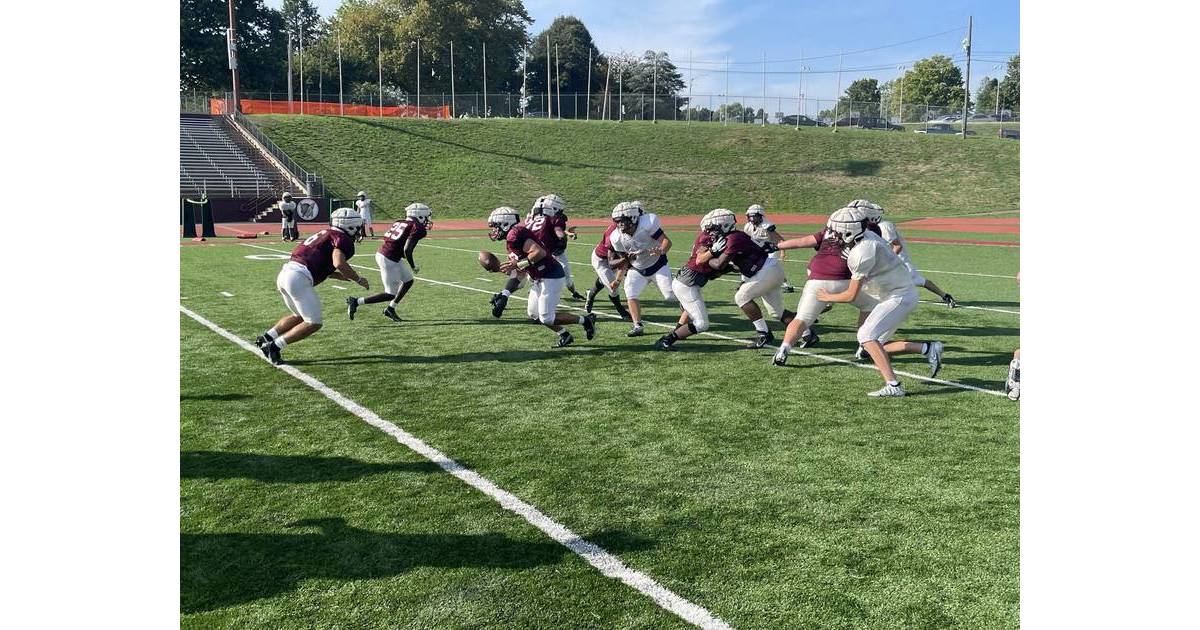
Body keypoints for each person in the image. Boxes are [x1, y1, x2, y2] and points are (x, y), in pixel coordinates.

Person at [813, 206, 944, 397]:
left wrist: (827, 297)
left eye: (836, 231)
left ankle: (894, 385)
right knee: (872, 346)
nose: (832, 235)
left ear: (850, 232)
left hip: (899, 296)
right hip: (894, 293)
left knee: (865, 336)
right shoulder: (866, 237)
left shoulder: (861, 252)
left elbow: (851, 295)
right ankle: (928, 348)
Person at [256, 209, 369, 365]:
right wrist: (358, 278)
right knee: (314, 322)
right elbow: (339, 262)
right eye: (357, 226)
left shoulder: (324, 233)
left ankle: (266, 337)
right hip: (298, 278)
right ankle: (274, 346)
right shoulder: (342, 239)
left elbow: (315, 262)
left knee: (299, 316)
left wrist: (337, 276)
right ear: (350, 226)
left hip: (286, 273)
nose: (358, 230)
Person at [770, 218, 884, 365]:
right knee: (870, 305)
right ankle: (864, 344)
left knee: (801, 318)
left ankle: (783, 349)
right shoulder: (867, 233)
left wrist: (777, 246)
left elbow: (801, 242)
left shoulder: (829, 231)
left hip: (817, 277)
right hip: (845, 279)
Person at [486, 206, 596, 347]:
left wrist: (518, 264)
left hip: (551, 276)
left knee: (547, 318)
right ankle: (564, 334)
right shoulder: (512, 238)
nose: (494, 231)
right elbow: (519, 272)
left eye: (495, 227)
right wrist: (505, 293)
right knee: (534, 314)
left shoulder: (515, 235)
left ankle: (586, 320)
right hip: (539, 277)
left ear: (505, 224)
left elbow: (539, 253)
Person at [702, 209, 796, 348]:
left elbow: (719, 264)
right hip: (769, 269)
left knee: (741, 297)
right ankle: (807, 333)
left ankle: (763, 333)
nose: (711, 233)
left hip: (766, 270)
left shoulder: (732, 239)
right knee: (777, 312)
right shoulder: (736, 235)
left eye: (713, 229)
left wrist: (707, 258)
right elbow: (732, 265)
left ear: (725, 226)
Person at [851, 199, 956, 308]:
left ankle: (945, 296)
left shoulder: (884, 226)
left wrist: (887, 260)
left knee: (919, 281)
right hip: (889, 261)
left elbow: (897, 246)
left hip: (899, 262)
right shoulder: (873, 227)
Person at [654, 212, 730, 351]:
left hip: (687, 281)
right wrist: (714, 251)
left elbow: (711, 269)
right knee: (701, 324)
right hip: (687, 283)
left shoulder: (708, 236)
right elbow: (700, 259)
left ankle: (675, 334)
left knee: (690, 311)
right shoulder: (707, 238)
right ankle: (666, 340)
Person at [346, 202, 432, 323]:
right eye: (427, 216)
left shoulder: (400, 221)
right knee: (390, 294)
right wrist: (413, 266)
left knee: (408, 281)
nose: (428, 220)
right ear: (420, 216)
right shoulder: (418, 228)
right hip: (388, 258)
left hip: (388, 254)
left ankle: (391, 309)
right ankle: (355, 301)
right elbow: (407, 250)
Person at [608, 201, 675, 337]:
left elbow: (667, 242)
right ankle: (637, 325)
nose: (619, 224)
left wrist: (661, 250)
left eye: (622, 221)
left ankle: (687, 316)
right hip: (638, 268)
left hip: (658, 265)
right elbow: (625, 261)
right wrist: (618, 280)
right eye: (617, 221)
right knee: (630, 291)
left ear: (633, 218)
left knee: (670, 296)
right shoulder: (616, 237)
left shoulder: (647, 224)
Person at [526, 194, 586, 301]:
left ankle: (573, 292)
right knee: (562, 274)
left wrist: (567, 233)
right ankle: (537, 288)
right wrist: (563, 240)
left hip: (539, 251)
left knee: (532, 272)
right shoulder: (554, 219)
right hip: (548, 251)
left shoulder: (531, 220)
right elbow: (558, 233)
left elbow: (553, 230)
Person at [584, 219, 632, 320]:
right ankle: (621, 310)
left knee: (604, 280)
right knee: (613, 287)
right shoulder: (613, 234)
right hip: (602, 260)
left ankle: (591, 293)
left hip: (616, 258)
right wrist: (627, 261)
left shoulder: (627, 226)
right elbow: (611, 264)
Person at [743, 204, 794, 292]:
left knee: (770, 267)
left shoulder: (767, 227)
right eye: (750, 216)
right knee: (746, 261)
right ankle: (744, 282)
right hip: (758, 248)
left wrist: (783, 252)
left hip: (771, 249)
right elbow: (747, 239)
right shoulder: (748, 226)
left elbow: (780, 240)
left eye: (753, 216)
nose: (751, 219)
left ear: (759, 216)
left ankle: (786, 285)